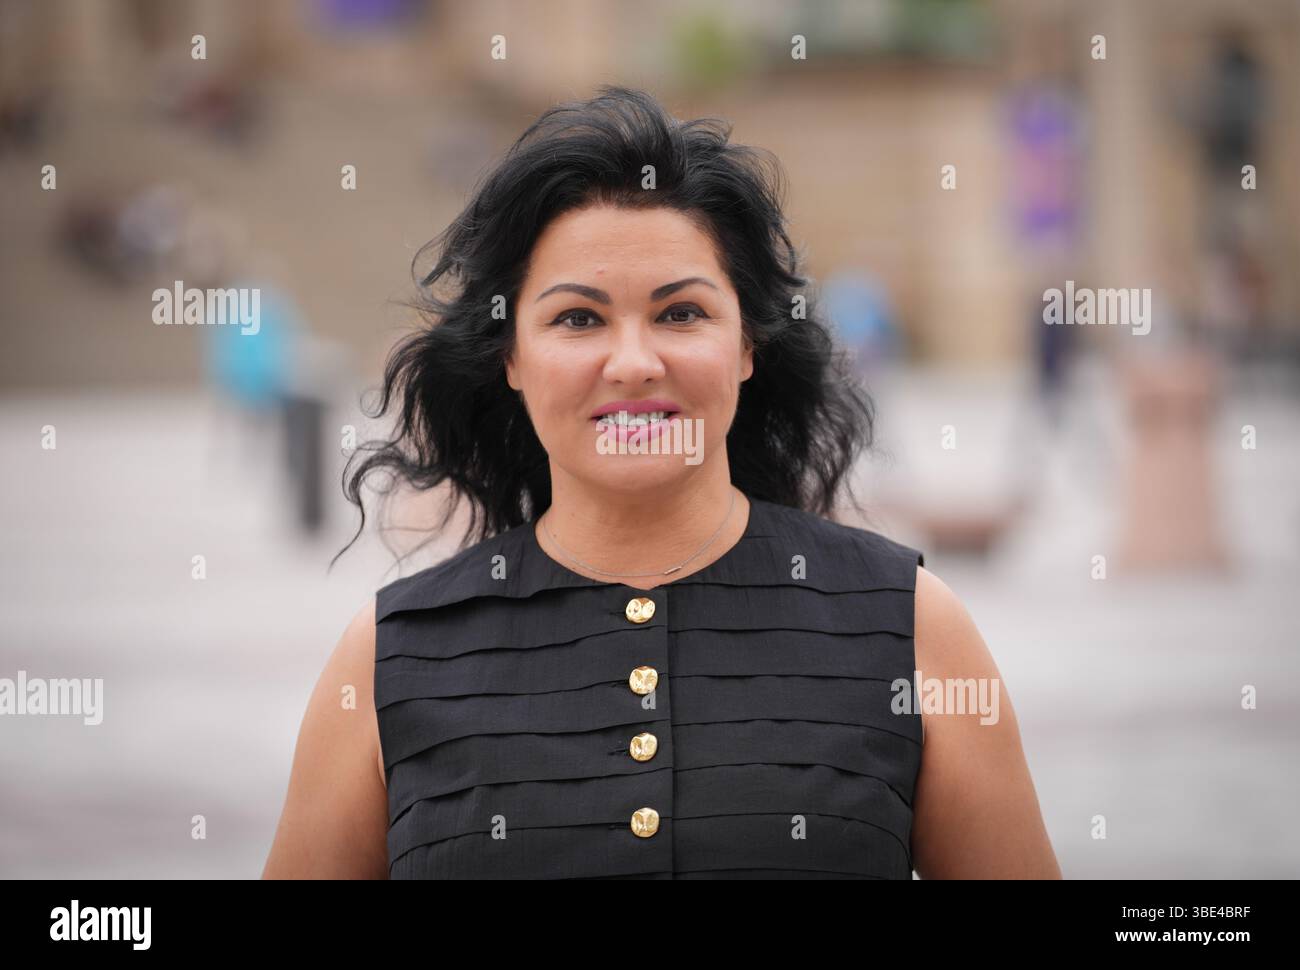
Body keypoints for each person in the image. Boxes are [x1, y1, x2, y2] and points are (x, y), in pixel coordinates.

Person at [262, 86, 1060, 879]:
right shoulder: (387, 657)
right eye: (578, 319)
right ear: (510, 357)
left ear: (748, 345)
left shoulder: (913, 628)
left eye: (681, 314)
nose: (636, 363)